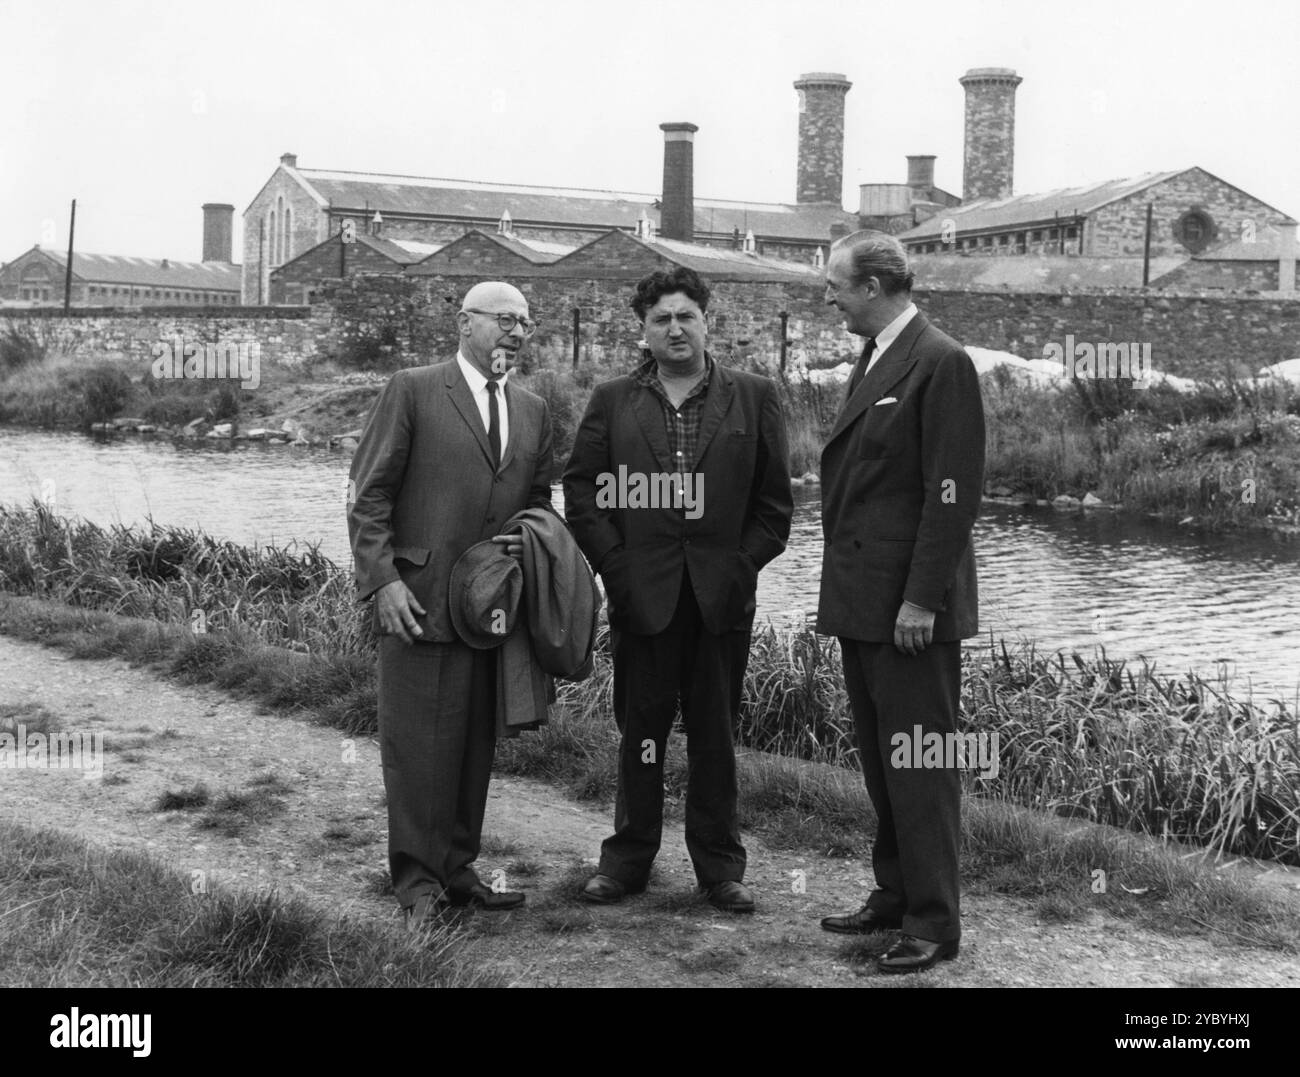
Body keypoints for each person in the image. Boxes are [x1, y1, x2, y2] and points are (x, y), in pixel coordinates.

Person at [564, 266, 793, 914]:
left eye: (685, 315)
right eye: (661, 318)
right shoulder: (613, 400)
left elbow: (775, 508)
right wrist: (617, 567)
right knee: (641, 729)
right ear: (644, 330)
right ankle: (627, 861)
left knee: (716, 735)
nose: (674, 328)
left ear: (706, 320)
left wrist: (740, 565)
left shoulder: (753, 396)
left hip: (722, 601)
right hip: (644, 597)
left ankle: (720, 869)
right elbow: (582, 492)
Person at [347, 281, 553, 930]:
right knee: (417, 748)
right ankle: (416, 885)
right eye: (503, 319)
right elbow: (367, 495)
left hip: (489, 609)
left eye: (525, 322)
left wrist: (534, 559)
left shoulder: (533, 409)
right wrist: (382, 582)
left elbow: (538, 504)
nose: (516, 331)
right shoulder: (412, 388)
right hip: (418, 602)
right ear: (465, 324)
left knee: (471, 745)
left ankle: (459, 871)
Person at [815, 231, 985, 973]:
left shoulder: (941, 362)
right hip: (864, 601)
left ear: (878, 283)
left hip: (907, 612)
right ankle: (895, 892)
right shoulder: (879, 355)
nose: (830, 296)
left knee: (920, 764)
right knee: (883, 762)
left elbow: (951, 497)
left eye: (838, 285)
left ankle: (934, 920)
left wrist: (922, 600)